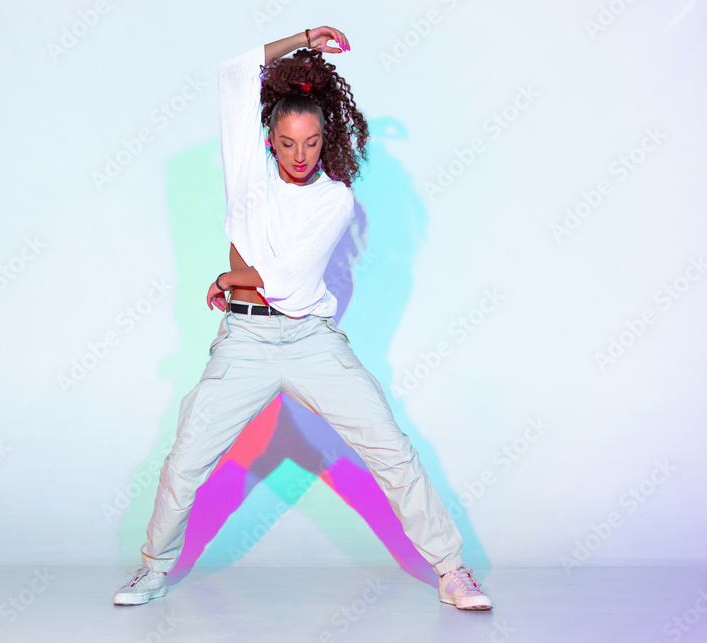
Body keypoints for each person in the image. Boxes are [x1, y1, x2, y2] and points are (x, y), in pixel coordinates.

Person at [112, 26, 493, 611]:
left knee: (390, 448)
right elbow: (235, 75)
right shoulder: (248, 173)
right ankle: (152, 568)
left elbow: (288, 282)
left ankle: (451, 569)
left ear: (326, 140)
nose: (299, 155)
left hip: (311, 340)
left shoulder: (334, 199)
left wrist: (226, 277)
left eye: (312, 142)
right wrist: (300, 39)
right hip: (245, 339)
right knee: (186, 455)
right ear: (268, 138)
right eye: (287, 143)